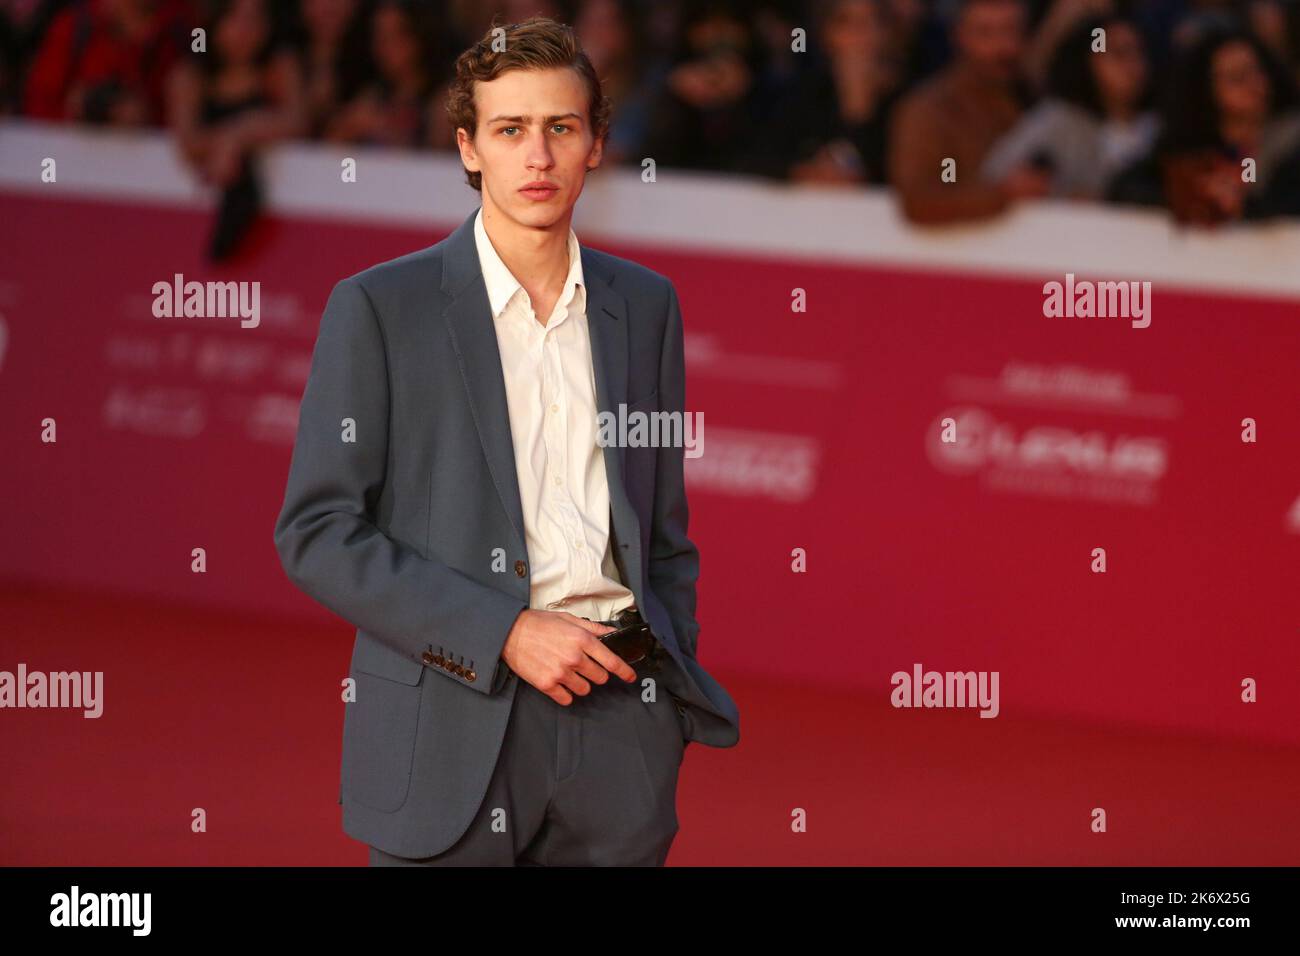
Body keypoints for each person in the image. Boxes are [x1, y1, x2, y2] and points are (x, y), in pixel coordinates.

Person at [274, 14, 740, 867]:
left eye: (561, 128)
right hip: (453, 722)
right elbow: (316, 533)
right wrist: (503, 632)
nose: (538, 156)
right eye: (511, 129)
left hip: (618, 735)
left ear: (597, 143)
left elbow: (663, 526)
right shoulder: (381, 308)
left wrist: (659, 710)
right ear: (468, 148)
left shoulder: (646, 307)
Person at [888, 0, 1048, 224]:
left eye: (1010, 30)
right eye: (985, 33)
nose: (1002, 46)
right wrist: (1002, 194)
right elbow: (920, 200)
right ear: (960, 36)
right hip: (956, 253)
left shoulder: (1041, 101)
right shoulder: (932, 110)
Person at [982, 13, 1158, 199]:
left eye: (1138, 52)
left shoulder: (1160, 126)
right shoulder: (1058, 121)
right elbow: (995, 175)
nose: (1132, 64)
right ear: (1085, 61)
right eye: (1118, 54)